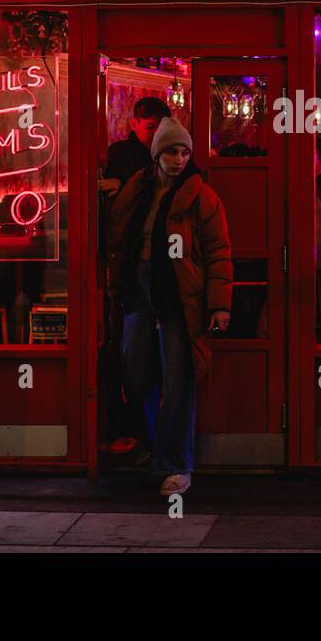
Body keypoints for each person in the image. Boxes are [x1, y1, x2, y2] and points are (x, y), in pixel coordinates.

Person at [103, 118, 233, 496]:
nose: (179, 159)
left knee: (178, 382)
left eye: (184, 152)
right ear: (157, 153)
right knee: (136, 373)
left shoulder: (201, 196)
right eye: (172, 151)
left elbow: (218, 253)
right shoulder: (137, 189)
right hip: (138, 291)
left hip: (178, 296)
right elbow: (117, 235)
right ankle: (154, 446)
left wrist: (219, 306)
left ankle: (176, 464)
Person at [99, 96, 172, 459]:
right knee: (134, 355)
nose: (154, 132)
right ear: (135, 122)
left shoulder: (166, 163)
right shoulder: (125, 155)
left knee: (148, 355)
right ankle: (142, 433)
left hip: (144, 271)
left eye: (159, 126)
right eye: (149, 125)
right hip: (134, 271)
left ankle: (152, 437)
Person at [100, 96, 171, 196]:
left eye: (162, 128)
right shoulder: (121, 150)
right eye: (151, 127)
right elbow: (119, 173)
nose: (157, 133)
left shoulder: (170, 154)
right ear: (134, 123)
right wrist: (119, 181)